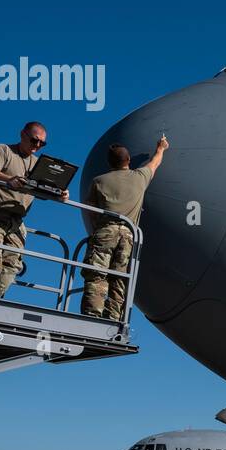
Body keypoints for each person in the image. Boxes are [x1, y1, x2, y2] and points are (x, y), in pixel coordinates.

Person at [0, 122, 66, 298]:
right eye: (34, 140)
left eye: (42, 143)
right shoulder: (3, 150)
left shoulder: (38, 165)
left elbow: (43, 191)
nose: (37, 146)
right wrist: (8, 179)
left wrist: (59, 194)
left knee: (12, 266)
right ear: (23, 134)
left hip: (15, 223)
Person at [81, 135, 169, 319]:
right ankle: (113, 317)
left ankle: (92, 314)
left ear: (109, 163)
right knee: (119, 278)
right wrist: (161, 148)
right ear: (128, 160)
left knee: (97, 274)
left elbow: (91, 209)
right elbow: (154, 163)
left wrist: (99, 228)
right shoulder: (139, 178)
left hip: (105, 230)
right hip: (129, 235)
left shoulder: (99, 181)